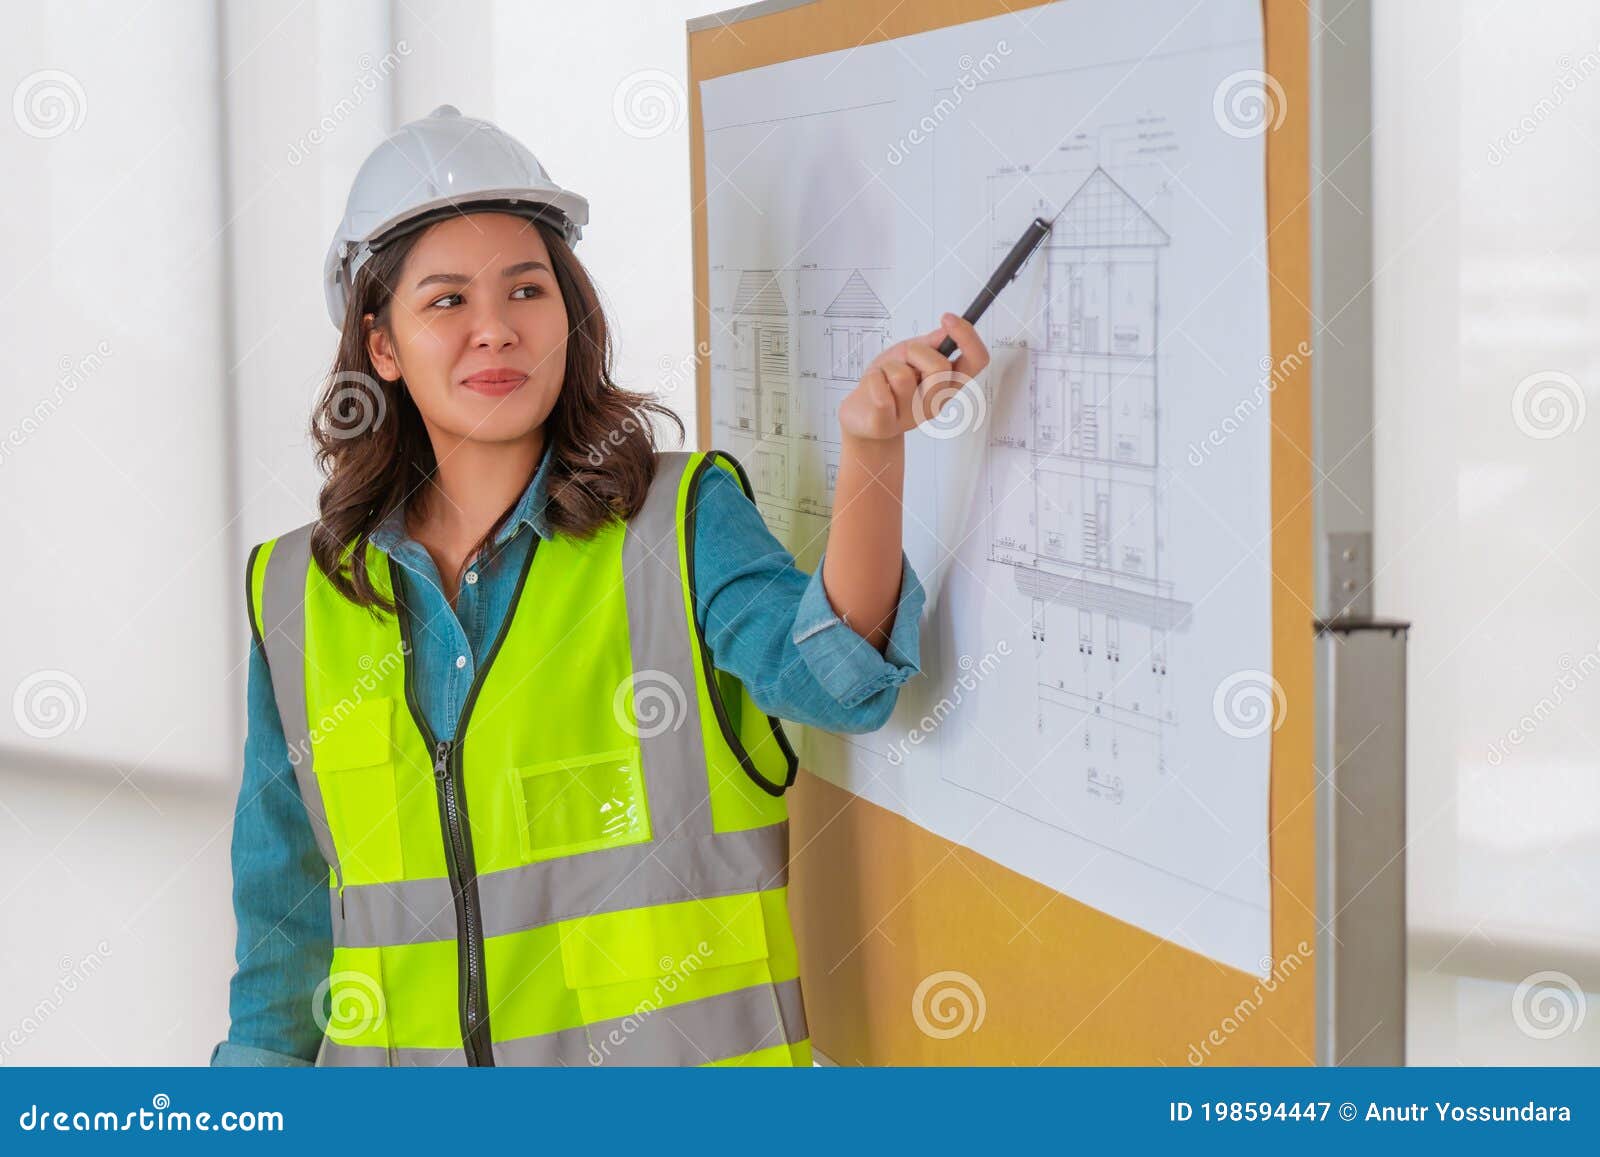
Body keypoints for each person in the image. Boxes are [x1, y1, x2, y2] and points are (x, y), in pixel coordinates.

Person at [210, 104, 989, 1067]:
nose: (496, 331)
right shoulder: (297, 593)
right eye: (447, 301)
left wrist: (872, 449)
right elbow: (282, 932)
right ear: (383, 348)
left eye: (526, 290)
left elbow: (837, 680)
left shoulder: (677, 525)